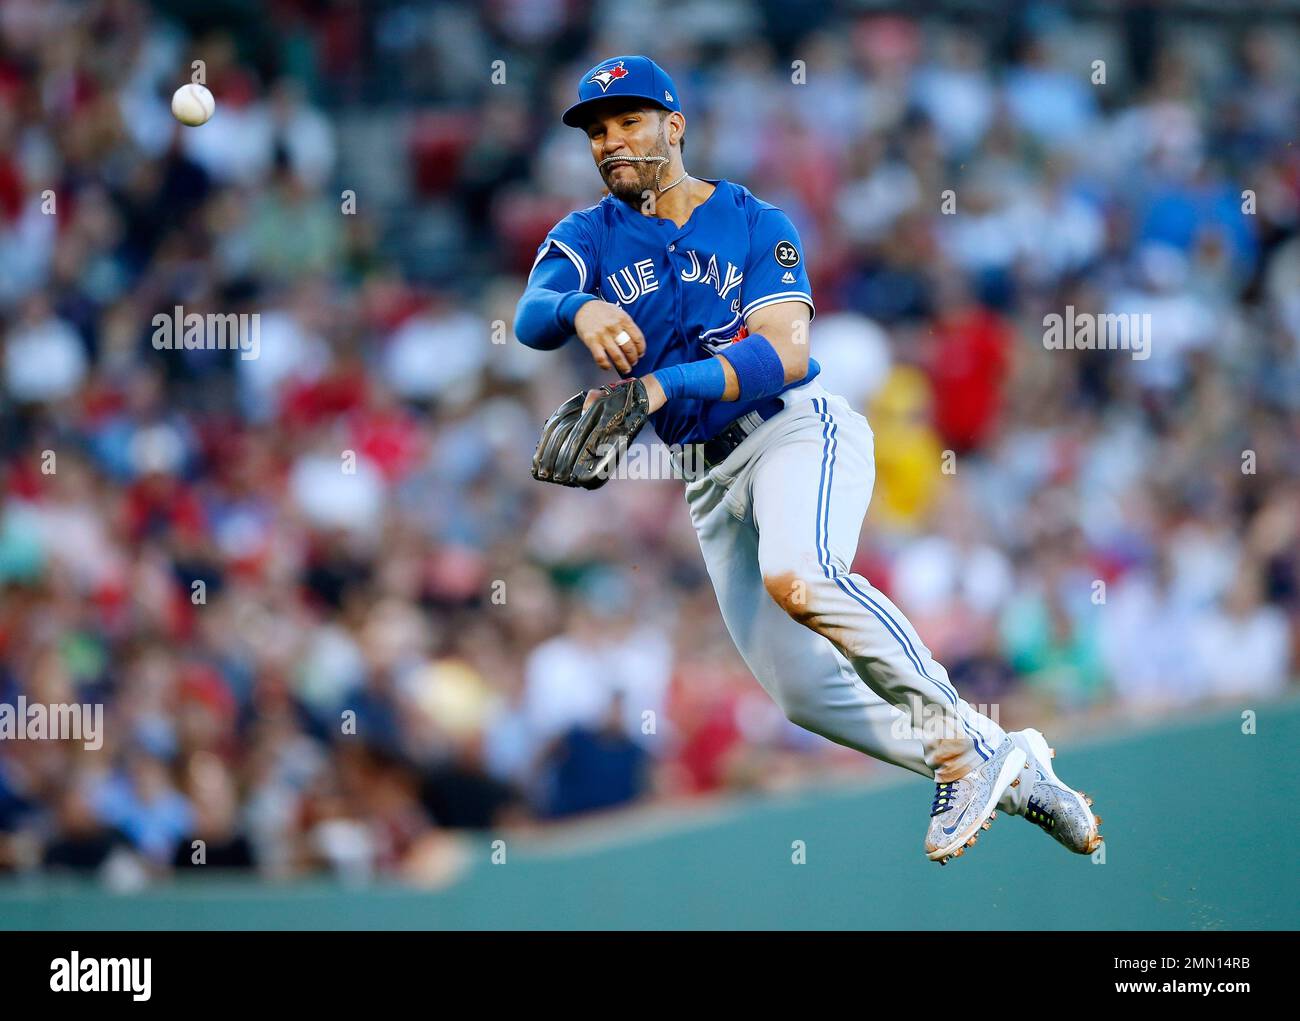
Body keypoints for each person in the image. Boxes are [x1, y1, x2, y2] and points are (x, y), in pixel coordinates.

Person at [514, 55, 1101, 863]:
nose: (612, 142)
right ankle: (996, 759)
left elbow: (785, 354)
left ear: (674, 126)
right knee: (800, 691)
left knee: (804, 576)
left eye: (629, 121)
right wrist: (579, 306)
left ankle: (968, 752)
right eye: (598, 130)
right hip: (708, 475)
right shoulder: (588, 235)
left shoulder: (756, 222)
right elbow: (531, 314)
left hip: (793, 430)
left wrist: (655, 388)